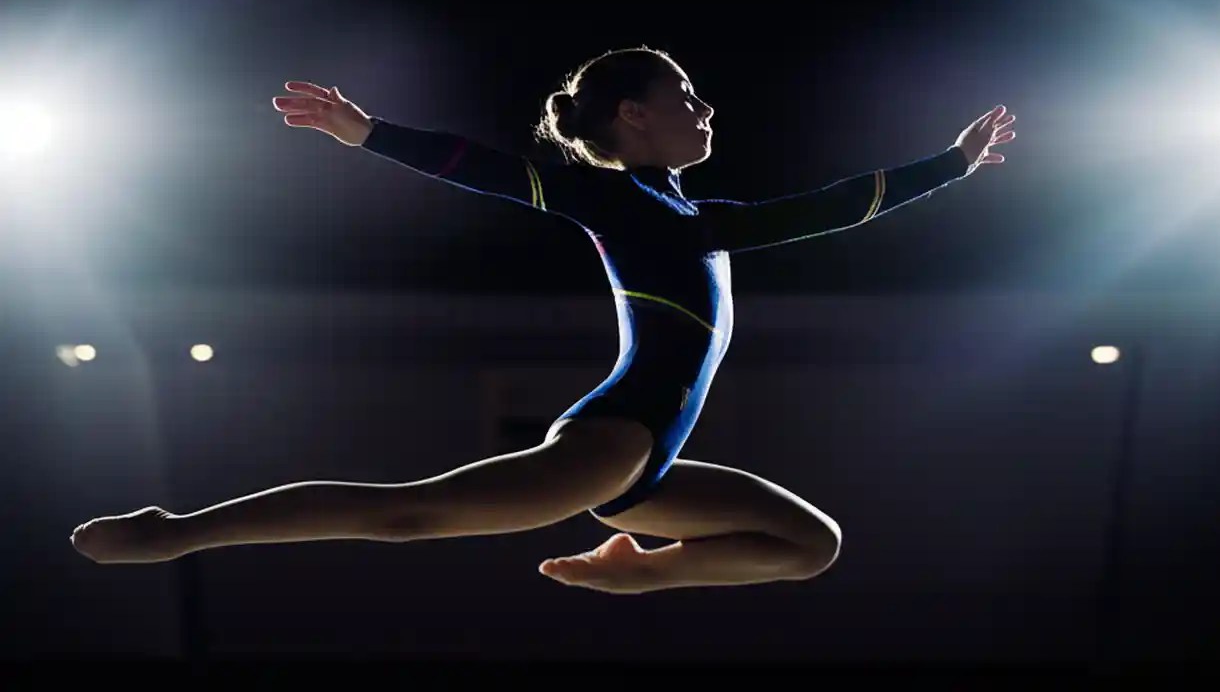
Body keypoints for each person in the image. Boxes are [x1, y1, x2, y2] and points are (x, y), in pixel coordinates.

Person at [70, 47, 1015, 594]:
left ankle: (634, 568)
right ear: (634, 117)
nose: (708, 107)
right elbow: (483, 168)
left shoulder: (700, 219)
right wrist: (364, 133)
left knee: (811, 546)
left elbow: (824, 207)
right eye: (687, 97)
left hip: (651, 467)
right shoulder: (613, 202)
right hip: (618, 434)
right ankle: (177, 530)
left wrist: (950, 167)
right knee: (408, 516)